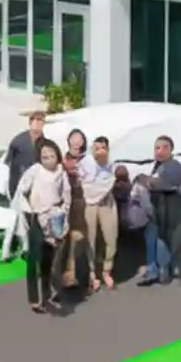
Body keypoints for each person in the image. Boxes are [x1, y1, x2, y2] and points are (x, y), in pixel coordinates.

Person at [13, 139, 70, 314]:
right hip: (37, 218)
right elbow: (21, 191)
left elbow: (67, 197)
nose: (48, 159)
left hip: (54, 219)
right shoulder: (35, 171)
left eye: (51, 156)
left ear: (57, 156)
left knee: (48, 260)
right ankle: (34, 298)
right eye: (44, 156)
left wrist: (63, 214)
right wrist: (28, 209)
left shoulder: (61, 173)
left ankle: (46, 295)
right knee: (34, 259)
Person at [138, 135, 181, 287]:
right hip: (159, 211)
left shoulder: (174, 166)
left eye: (163, 147)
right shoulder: (160, 165)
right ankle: (163, 268)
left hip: (168, 213)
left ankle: (162, 271)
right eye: (156, 147)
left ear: (170, 149)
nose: (158, 151)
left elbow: (160, 183)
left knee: (161, 240)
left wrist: (144, 180)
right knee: (155, 237)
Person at [0, 111, 47, 263]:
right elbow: (8, 163)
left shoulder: (44, 143)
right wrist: (10, 186)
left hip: (32, 188)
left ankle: (26, 248)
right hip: (17, 186)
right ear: (30, 123)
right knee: (14, 218)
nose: (38, 125)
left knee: (26, 220)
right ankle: (6, 251)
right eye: (36, 122)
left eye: (41, 122)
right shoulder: (19, 141)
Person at [79, 136, 118, 290]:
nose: (100, 151)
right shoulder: (85, 163)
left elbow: (111, 180)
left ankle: (107, 270)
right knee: (90, 238)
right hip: (89, 205)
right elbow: (81, 183)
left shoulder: (112, 164)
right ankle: (92, 273)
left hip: (106, 203)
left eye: (103, 148)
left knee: (111, 238)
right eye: (97, 148)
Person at [56, 129, 92, 294]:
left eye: (80, 141)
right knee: (66, 241)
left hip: (83, 204)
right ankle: (64, 276)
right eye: (74, 141)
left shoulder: (87, 161)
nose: (77, 144)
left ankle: (84, 276)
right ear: (69, 142)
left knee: (82, 241)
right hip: (67, 205)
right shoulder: (62, 161)